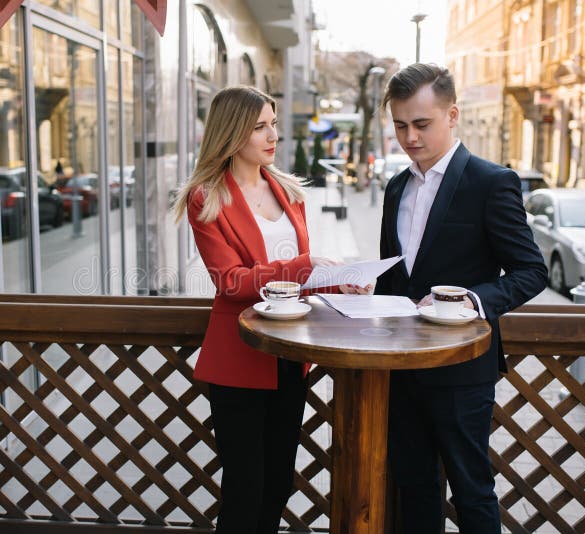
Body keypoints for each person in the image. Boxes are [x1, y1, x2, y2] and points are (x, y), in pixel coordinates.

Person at [173, 85, 366, 533]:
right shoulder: (208, 197)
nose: (272, 134)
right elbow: (231, 280)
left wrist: (342, 281)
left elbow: (301, 279)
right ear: (233, 132)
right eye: (260, 126)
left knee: (278, 484)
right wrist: (303, 265)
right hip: (239, 358)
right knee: (245, 488)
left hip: (289, 357)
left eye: (273, 123)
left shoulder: (288, 190)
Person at [375, 64, 547, 533]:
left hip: (462, 369)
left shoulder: (492, 182)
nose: (409, 137)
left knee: (472, 489)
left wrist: (468, 301)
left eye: (421, 124)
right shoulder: (396, 187)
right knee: (413, 486)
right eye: (400, 125)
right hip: (400, 366)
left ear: (452, 115)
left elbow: (532, 271)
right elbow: (396, 278)